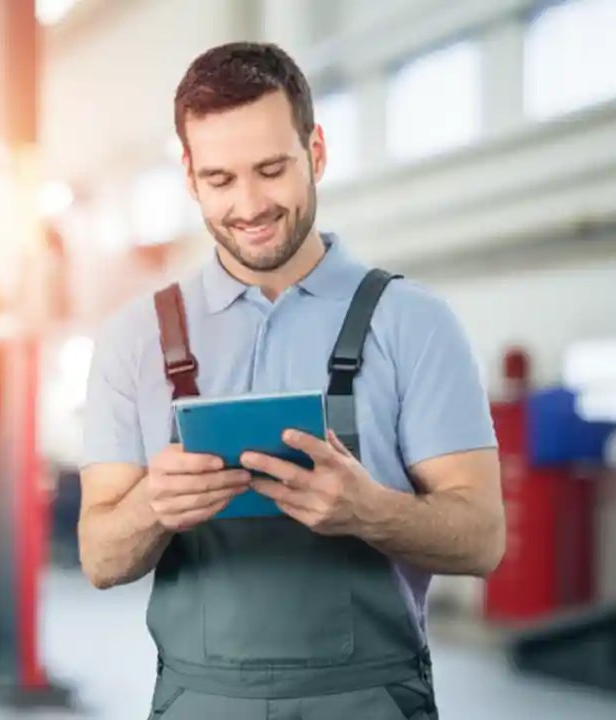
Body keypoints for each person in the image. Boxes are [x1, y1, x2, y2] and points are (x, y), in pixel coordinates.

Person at [78, 42, 505, 719]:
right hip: (201, 703)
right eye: (219, 179)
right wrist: (151, 505)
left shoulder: (414, 323)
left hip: (369, 703)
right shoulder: (136, 338)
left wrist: (371, 511)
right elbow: (100, 558)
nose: (249, 204)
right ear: (189, 176)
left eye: (271, 170)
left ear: (318, 151)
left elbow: (482, 538)